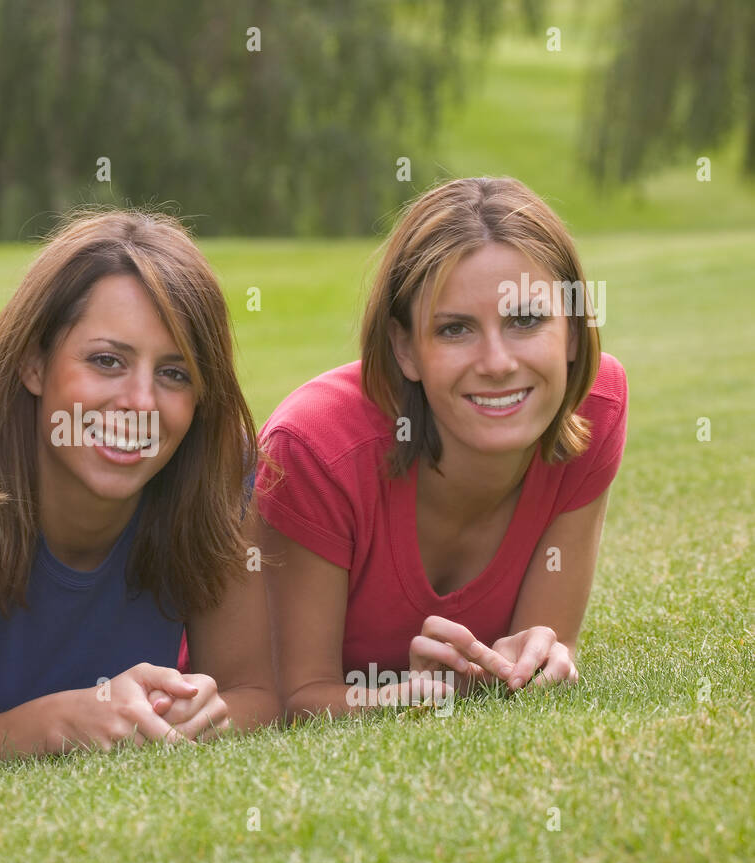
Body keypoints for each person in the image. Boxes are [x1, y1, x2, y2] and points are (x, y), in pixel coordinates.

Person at [0, 210, 278, 763]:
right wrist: (53, 724)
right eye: (107, 361)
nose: (141, 404)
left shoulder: (218, 480)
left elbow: (254, 697)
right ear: (33, 362)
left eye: (175, 374)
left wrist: (194, 712)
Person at [259, 177, 628, 716]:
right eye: (456, 329)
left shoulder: (594, 409)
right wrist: (392, 700)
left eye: (525, 320)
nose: (498, 363)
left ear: (572, 331)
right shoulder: (317, 448)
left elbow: (546, 643)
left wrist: (530, 657)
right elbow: (293, 700)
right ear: (405, 348)